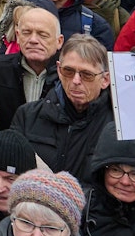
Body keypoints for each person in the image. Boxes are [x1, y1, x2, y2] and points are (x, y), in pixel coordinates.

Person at [9, 34, 115, 181]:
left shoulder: (117, 125)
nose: (76, 81)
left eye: (87, 75)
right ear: (59, 70)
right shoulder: (27, 116)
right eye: (68, 71)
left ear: (105, 80)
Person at [0, 3, 62, 131]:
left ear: (59, 41)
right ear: (17, 36)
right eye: (27, 33)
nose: (33, 40)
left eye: (43, 34)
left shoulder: (69, 75)